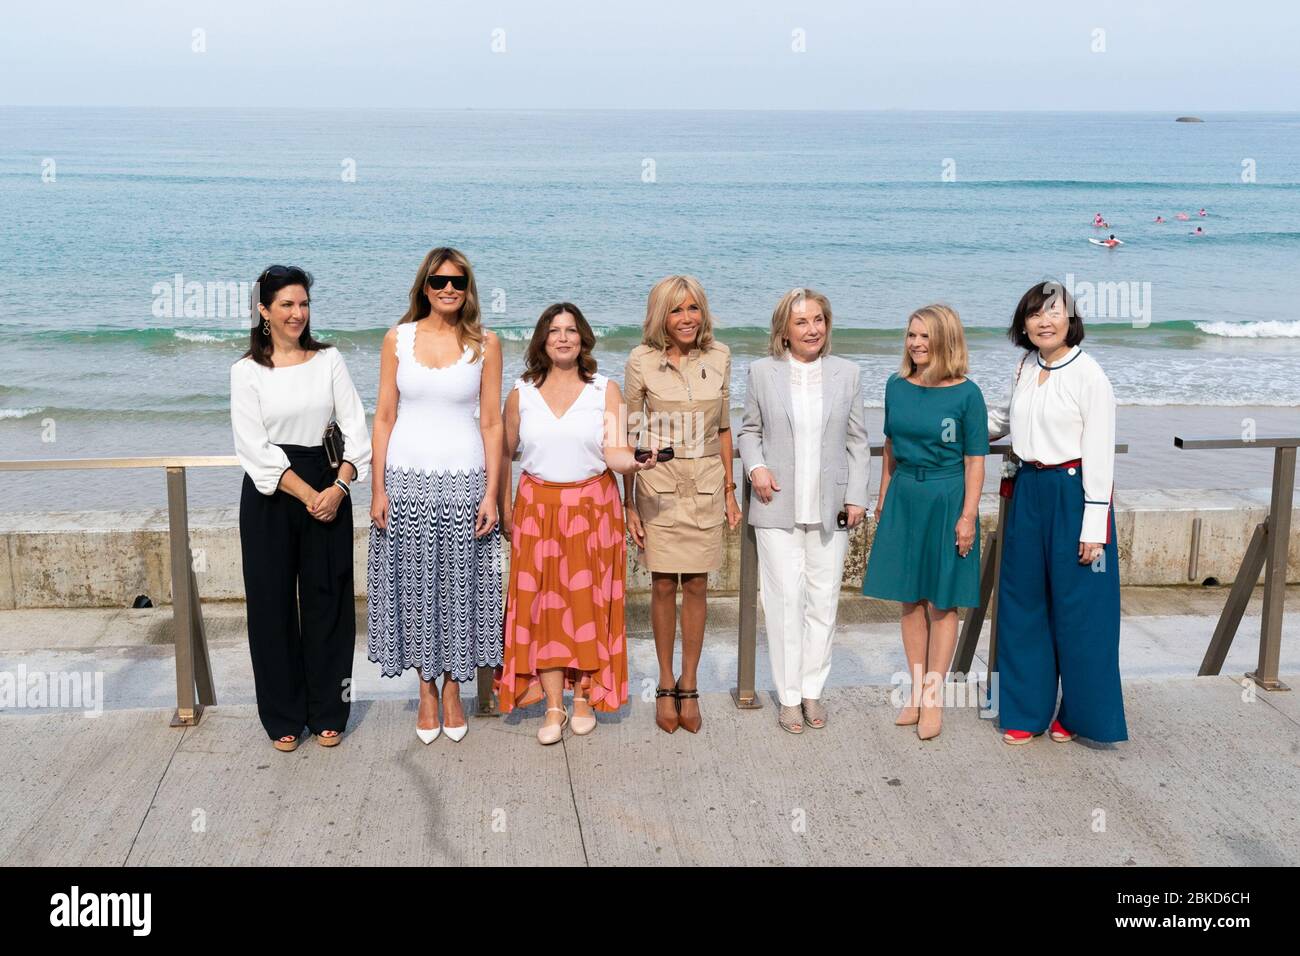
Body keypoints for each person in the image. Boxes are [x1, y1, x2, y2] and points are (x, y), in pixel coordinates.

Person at [497, 303, 656, 744]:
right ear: (542, 340)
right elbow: (504, 456)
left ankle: (584, 697)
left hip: (593, 509)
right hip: (537, 508)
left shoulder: (606, 391)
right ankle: (552, 705)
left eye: (571, 331)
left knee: (588, 605)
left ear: (583, 338)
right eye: (554, 331)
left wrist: (637, 462)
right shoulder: (520, 392)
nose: (563, 338)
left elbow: (617, 453)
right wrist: (506, 509)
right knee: (542, 609)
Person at [231, 264, 371, 752]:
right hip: (272, 495)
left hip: (331, 484)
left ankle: (329, 712)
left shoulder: (329, 361)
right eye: (286, 304)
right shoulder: (245, 372)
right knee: (271, 608)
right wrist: (308, 494)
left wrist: (338, 488)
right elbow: (253, 449)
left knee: (328, 602)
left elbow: (356, 431)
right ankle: (283, 717)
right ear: (264, 311)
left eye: (304, 304)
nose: (297, 313)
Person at [368, 247, 503, 744]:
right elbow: (383, 416)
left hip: (465, 482)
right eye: (439, 280)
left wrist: (491, 494)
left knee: (460, 589)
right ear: (424, 286)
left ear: (468, 288)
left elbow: (491, 422)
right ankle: (426, 688)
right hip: (405, 481)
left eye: (459, 281)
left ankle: (453, 687)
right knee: (416, 590)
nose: (449, 288)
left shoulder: (486, 343)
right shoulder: (397, 339)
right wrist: (378, 486)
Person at [987, 281, 1127, 745]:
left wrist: (1094, 528)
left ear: (1070, 319)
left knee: (1082, 613)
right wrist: (946, 422)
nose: (1044, 321)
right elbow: (1002, 421)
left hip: (1075, 495)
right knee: (1022, 603)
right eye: (1035, 313)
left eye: (1054, 312)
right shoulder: (1026, 365)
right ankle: (1026, 711)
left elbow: (1100, 456)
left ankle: (1078, 714)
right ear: (1023, 323)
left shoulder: (1090, 375)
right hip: (1027, 490)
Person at [738, 288, 870, 734]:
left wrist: (856, 495)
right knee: (784, 601)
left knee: (823, 603)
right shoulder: (761, 372)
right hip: (777, 505)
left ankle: (813, 690)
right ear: (784, 331)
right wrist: (755, 467)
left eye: (818, 320)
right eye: (802, 322)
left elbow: (857, 442)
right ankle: (789, 697)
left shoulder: (847, 373)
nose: (812, 329)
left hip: (831, 508)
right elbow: (748, 431)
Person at [861, 304, 987, 741]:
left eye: (924, 336)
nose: (915, 343)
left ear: (945, 340)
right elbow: (890, 448)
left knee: (942, 601)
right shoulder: (896, 386)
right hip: (904, 497)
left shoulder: (967, 394)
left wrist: (968, 515)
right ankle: (914, 692)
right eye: (911, 335)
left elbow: (975, 461)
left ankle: (933, 698)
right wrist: (882, 502)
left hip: (948, 496)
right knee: (909, 599)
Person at [623, 275, 742, 734]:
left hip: (708, 485)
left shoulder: (721, 356)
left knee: (696, 584)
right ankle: (665, 681)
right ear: (661, 316)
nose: (686, 318)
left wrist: (731, 491)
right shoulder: (641, 362)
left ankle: (689, 683)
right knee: (661, 586)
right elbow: (628, 435)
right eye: (676, 310)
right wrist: (628, 503)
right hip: (658, 485)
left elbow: (726, 429)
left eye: (693, 308)